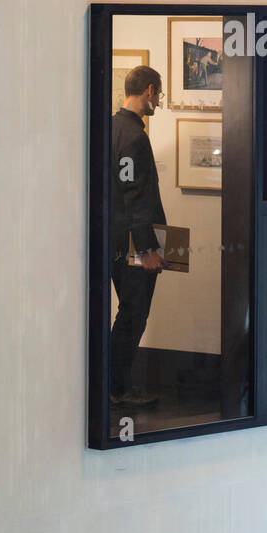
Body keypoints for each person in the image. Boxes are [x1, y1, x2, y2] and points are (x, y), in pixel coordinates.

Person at [110, 65, 165, 407]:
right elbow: (134, 194)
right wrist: (147, 249)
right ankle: (117, 389)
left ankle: (115, 386)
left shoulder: (113, 127)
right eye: (158, 93)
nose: (158, 99)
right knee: (134, 313)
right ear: (148, 90)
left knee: (128, 313)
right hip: (131, 244)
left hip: (116, 239)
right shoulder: (134, 136)